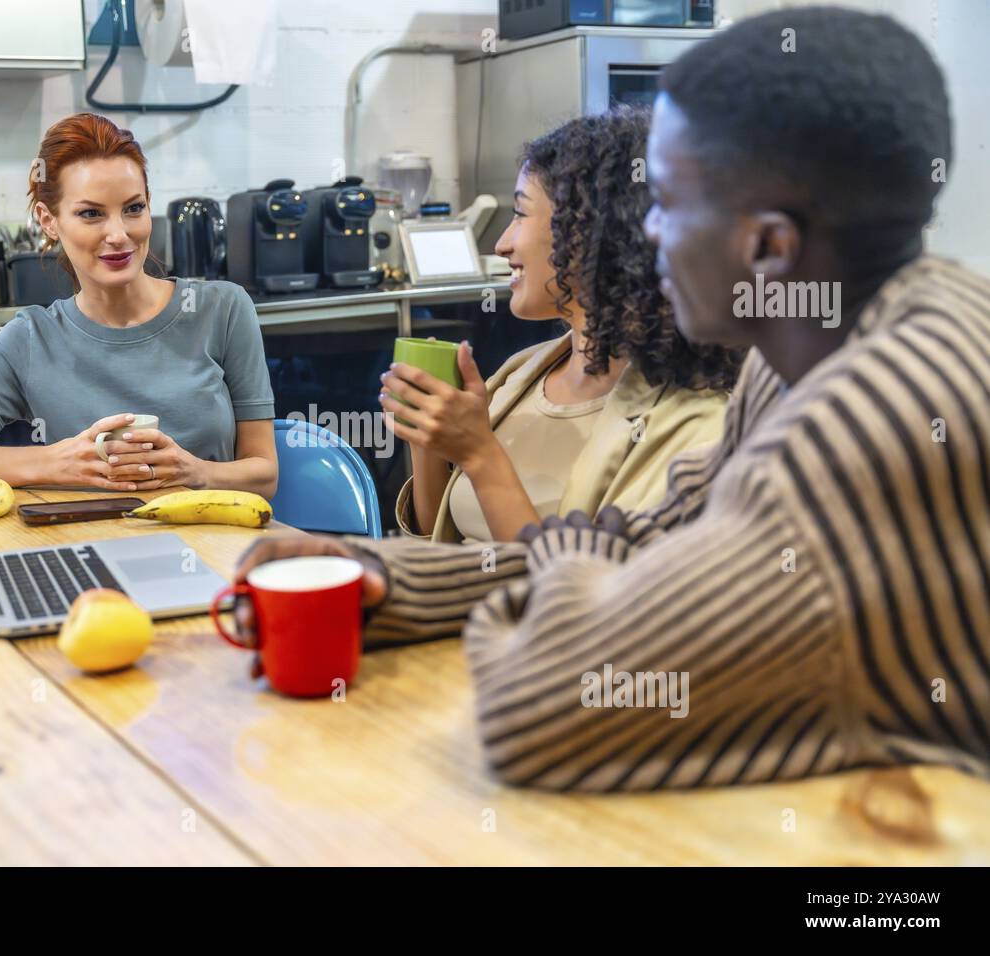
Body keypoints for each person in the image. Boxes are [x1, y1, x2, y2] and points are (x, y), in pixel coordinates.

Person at [235, 6, 990, 790]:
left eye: (666, 201)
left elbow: (543, 707)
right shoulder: (806, 349)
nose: (644, 235)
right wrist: (387, 578)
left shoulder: (882, 414)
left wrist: (546, 613)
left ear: (768, 245)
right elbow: (637, 542)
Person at [384, 108, 743, 544]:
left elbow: (586, 590)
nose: (502, 244)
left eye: (519, 214)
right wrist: (427, 440)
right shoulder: (521, 375)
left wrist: (479, 453)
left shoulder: (695, 426)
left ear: (590, 232)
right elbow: (439, 545)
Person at [0, 113, 278, 497]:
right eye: (91, 214)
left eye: (133, 208)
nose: (118, 234)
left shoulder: (223, 310)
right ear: (48, 221)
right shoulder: (32, 338)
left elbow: (264, 474)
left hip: (216, 546)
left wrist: (194, 471)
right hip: (87, 549)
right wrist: (52, 462)